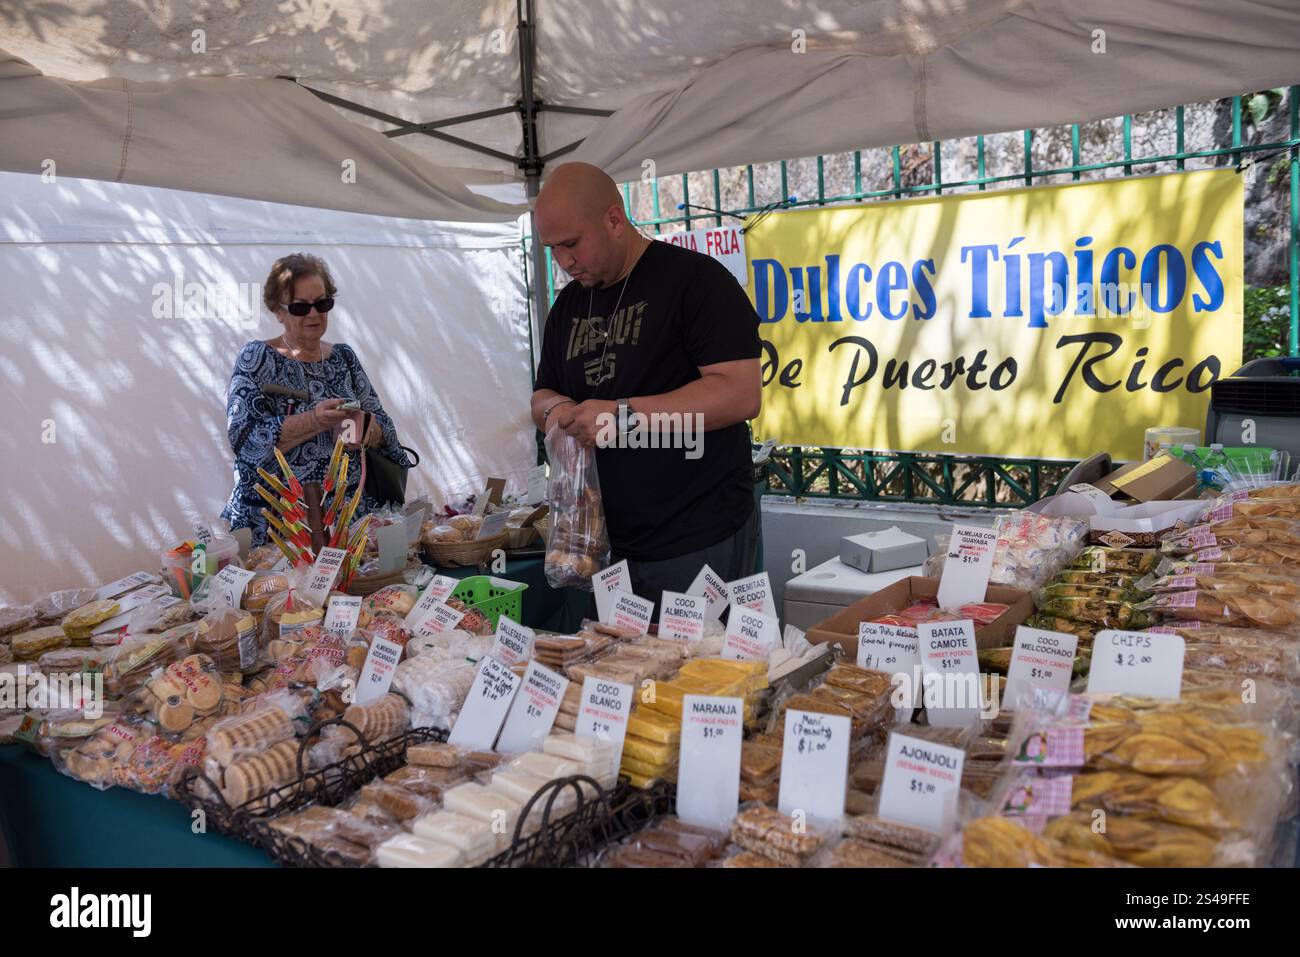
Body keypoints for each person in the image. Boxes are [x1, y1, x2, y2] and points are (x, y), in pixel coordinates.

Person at [530, 162, 763, 604]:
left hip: (695, 534)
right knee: (619, 667)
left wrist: (624, 417)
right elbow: (542, 393)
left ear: (615, 219)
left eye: (572, 244)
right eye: (553, 249)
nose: (564, 261)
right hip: (604, 545)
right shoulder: (568, 306)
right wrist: (556, 412)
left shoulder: (697, 282)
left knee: (701, 669)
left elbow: (739, 393)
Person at [222, 253, 412, 545]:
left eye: (322, 304)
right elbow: (245, 442)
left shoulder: (344, 358)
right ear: (277, 311)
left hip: (350, 523)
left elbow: (387, 432)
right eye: (300, 307)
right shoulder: (257, 358)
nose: (314, 314)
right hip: (282, 529)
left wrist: (365, 428)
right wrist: (315, 420)